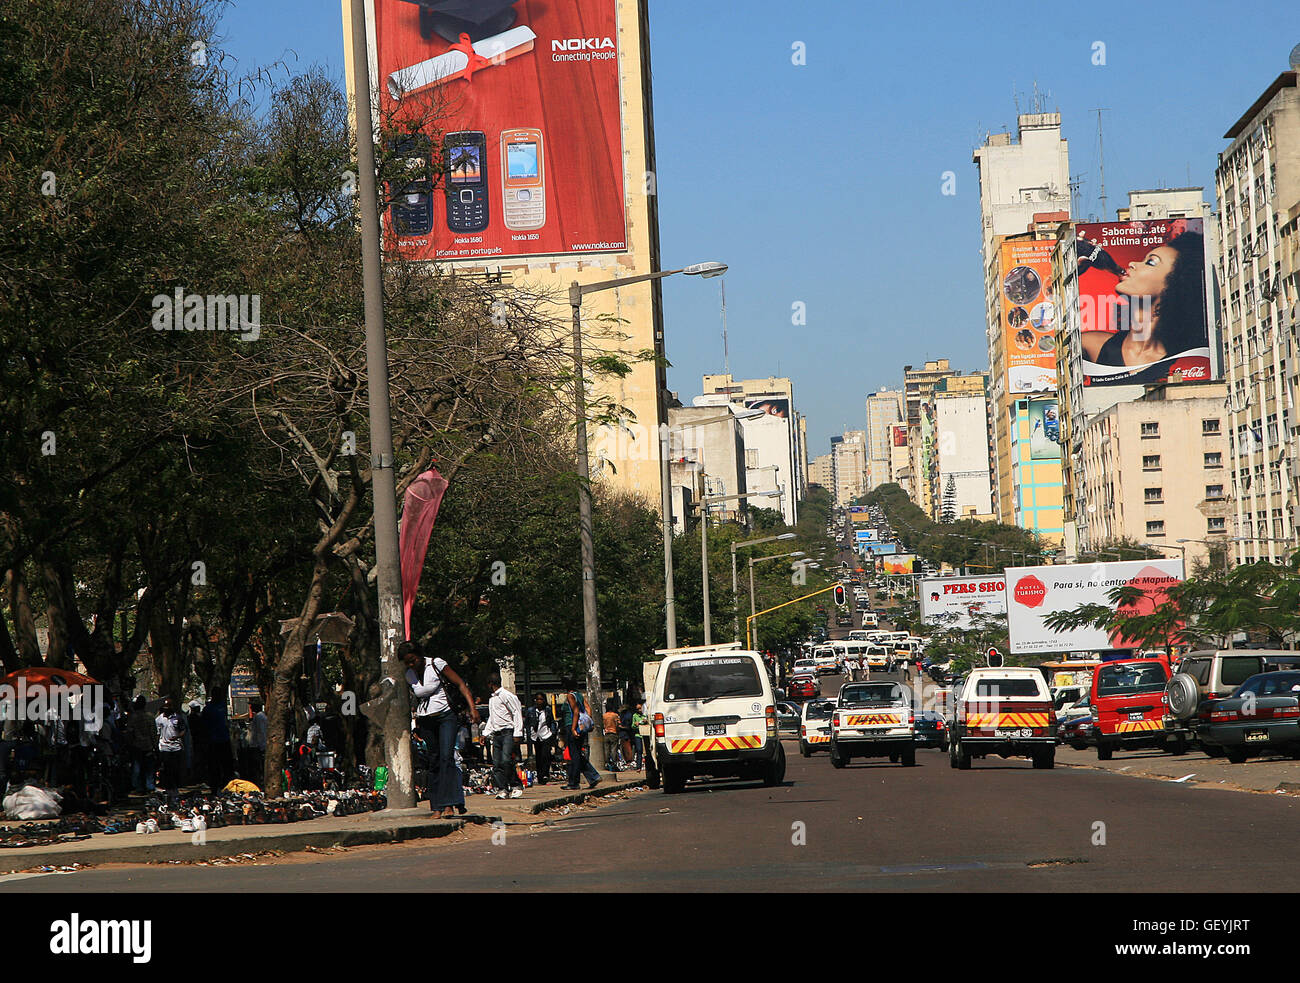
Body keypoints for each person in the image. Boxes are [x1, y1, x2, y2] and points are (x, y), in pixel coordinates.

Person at [1081, 229, 1207, 383]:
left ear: (1174, 286)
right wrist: (1070, 271)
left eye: (1151, 262)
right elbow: (1047, 350)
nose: (1132, 264)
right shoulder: (1092, 346)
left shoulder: (1185, 363)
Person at [398, 639, 479, 819]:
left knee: (446, 758)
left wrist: (472, 708)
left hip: (446, 717)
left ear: (420, 655)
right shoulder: (409, 675)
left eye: (413, 660)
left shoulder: (436, 664)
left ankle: (449, 804)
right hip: (426, 720)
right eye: (407, 662)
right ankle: (436, 806)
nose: (412, 665)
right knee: (433, 761)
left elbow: (460, 684)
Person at [482, 672, 524, 799]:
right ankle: (502, 789)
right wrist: (485, 733)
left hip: (508, 732)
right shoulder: (492, 699)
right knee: (497, 763)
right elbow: (493, 718)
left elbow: (517, 712)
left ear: (490, 684)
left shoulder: (506, 696)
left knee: (506, 760)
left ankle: (516, 784)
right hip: (497, 734)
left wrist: (518, 732)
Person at [559, 677, 600, 791]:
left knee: (575, 755)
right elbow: (588, 708)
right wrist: (587, 722)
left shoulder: (570, 696)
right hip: (580, 728)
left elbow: (576, 711)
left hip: (572, 726)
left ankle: (574, 783)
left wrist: (573, 728)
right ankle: (593, 777)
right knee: (577, 754)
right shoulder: (580, 695)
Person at [155, 698, 187, 807]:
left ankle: (175, 789)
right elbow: (157, 734)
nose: (166, 710)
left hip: (176, 747)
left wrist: (177, 736)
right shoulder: (159, 719)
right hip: (164, 748)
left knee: (176, 769)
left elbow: (183, 730)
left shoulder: (177, 718)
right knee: (166, 769)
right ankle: (169, 789)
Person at [202, 693, 233, 794]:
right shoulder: (212, 708)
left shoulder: (219, 707)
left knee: (221, 766)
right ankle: (217, 787)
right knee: (217, 766)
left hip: (220, 740)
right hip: (215, 741)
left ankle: (222, 786)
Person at [125, 696, 156, 794]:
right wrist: (154, 745)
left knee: (137, 768)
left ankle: (138, 787)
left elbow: (129, 733)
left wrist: (129, 744)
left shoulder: (132, 717)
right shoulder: (150, 717)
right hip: (148, 746)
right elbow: (153, 733)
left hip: (136, 746)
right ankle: (149, 786)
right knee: (149, 768)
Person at [526, 693, 556, 784]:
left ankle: (545, 774)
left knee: (545, 755)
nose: (539, 702)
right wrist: (529, 733)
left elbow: (552, 722)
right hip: (535, 736)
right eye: (537, 699)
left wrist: (552, 733)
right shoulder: (531, 711)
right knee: (538, 756)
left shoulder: (547, 710)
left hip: (545, 735)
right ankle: (540, 776)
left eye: (541, 699)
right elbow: (527, 723)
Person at [247, 700, 268, 787]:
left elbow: (261, 732)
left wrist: (262, 746)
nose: (251, 708)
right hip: (259, 746)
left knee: (258, 767)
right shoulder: (261, 716)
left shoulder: (259, 717)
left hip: (258, 747)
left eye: (252, 706)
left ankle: (260, 783)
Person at [602, 698, 620, 773]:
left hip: (606, 733)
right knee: (613, 749)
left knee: (606, 750)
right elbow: (618, 724)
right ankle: (614, 764)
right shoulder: (615, 715)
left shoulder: (604, 716)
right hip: (613, 733)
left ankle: (607, 763)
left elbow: (603, 724)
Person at [618, 703, 636, 770]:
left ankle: (629, 761)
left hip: (626, 734)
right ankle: (628, 760)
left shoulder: (627, 716)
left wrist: (621, 727)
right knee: (625, 748)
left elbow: (628, 726)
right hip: (624, 734)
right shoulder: (626, 715)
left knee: (627, 748)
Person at [630, 701, 647, 771]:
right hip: (638, 735)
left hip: (645, 734)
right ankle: (638, 767)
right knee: (639, 751)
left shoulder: (645, 715)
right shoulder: (635, 716)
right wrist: (636, 724)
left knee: (646, 751)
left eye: (640, 708)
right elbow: (632, 726)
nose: (639, 710)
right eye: (638, 709)